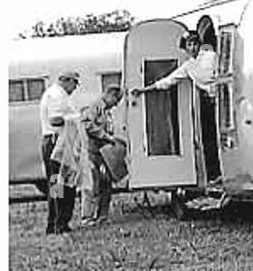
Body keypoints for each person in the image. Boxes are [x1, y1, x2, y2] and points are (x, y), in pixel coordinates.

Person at [130, 32, 221, 180]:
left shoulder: (211, 56)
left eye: (194, 44)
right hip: (209, 102)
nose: (192, 48)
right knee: (209, 137)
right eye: (189, 45)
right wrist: (143, 90)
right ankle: (214, 173)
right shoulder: (189, 66)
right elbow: (168, 81)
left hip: (222, 99)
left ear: (199, 44)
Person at [38, 71, 81, 234]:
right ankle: (59, 222)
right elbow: (54, 120)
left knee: (57, 184)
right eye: (74, 84)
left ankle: (55, 222)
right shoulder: (57, 95)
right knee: (60, 184)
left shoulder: (55, 94)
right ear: (67, 81)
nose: (75, 88)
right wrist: (75, 118)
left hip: (56, 143)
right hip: (57, 144)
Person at [80, 85, 125, 225]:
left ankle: (102, 216)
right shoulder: (95, 107)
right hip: (94, 152)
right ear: (110, 95)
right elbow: (88, 125)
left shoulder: (107, 111)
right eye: (116, 101)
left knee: (106, 183)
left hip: (104, 153)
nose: (115, 105)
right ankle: (87, 217)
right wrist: (105, 136)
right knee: (93, 184)